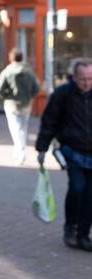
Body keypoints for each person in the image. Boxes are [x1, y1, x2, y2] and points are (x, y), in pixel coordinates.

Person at [35, 57, 92, 251]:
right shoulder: (63, 94)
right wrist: (42, 147)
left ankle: (84, 234)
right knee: (77, 187)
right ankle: (71, 228)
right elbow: (49, 121)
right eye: (83, 78)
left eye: (91, 78)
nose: (87, 83)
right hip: (72, 150)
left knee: (90, 194)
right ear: (74, 77)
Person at [0, 48, 41, 164]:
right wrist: (30, 96)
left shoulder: (7, 71)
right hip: (26, 104)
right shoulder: (29, 71)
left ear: (11, 58)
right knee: (23, 127)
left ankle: (20, 151)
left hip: (11, 105)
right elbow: (37, 89)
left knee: (15, 128)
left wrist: (6, 96)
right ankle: (20, 150)